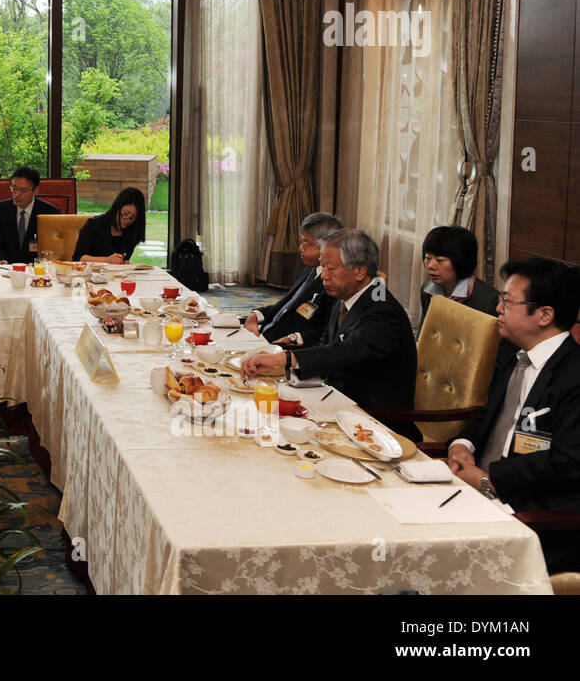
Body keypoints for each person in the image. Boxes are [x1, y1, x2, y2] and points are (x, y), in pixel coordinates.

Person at [446, 259, 580, 573]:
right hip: (480, 491)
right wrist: (461, 444)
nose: (498, 308)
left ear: (545, 315)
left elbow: (569, 462)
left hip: (538, 518)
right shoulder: (515, 357)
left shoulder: (573, 375)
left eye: (508, 300)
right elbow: (489, 417)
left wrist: (487, 481)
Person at [242, 229, 418, 429]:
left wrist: (285, 358)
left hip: (375, 423)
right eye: (322, 266)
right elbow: (325, 345)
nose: (323, 275)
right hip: (338, 401)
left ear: (360, 271)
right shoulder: (344, 297)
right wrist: (281, 366)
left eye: (331, 268)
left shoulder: (383, 311)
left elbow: (347, 352)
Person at [243, 212, 341, 346]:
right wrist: (255, 315)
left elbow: (326, 332)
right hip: (264, 336)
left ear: (326, 245)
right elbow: (286, 305)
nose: (300, 248)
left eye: (306, 243)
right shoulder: (310, 269)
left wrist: (295, 338)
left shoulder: (334, 283)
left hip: (283, 350)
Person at [418, 225, 500, 329]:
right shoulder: (427, 289)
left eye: (440, 260)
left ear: (461, 261)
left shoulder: (488, 300)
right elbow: (425, 333)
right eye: (427, 258)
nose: (431, 266)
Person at [0, 166, 59, 265]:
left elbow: (53, 248)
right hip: (8, 267)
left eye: (23, 190)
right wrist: (1, 260)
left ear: (35, 191)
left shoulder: (50, 212)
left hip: (37, 269)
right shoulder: (2, 209)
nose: (16, 194)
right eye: (14, 188)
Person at [73, 187, 145, 264]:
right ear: (117, 207)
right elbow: (78, 258)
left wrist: (123, 263)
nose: (127, 220)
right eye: (125, 214)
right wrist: (107, 260)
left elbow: (124, 258)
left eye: (132, 217)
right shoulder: (93, 225)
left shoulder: (132, 230)